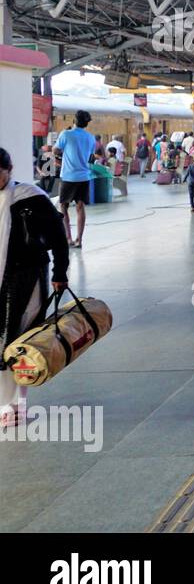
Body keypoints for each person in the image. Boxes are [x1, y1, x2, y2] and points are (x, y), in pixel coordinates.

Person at [0, 147, 70, 428]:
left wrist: (60, 272)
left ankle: (15, 404)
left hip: (25, 279)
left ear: (10, 169)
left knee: (17, 341)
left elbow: (58, 236)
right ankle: (8, 404)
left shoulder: (30, 198)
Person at [53, 110, 96, 248]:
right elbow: (90, 156)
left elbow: (55, 150)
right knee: (80, 207)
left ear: (74, 120)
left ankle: (68, 238)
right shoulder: (90, 138)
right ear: (86, 123)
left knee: (63, 206)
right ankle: (79, 240)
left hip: (68, 176)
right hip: (84, 176)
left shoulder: (66, 134)